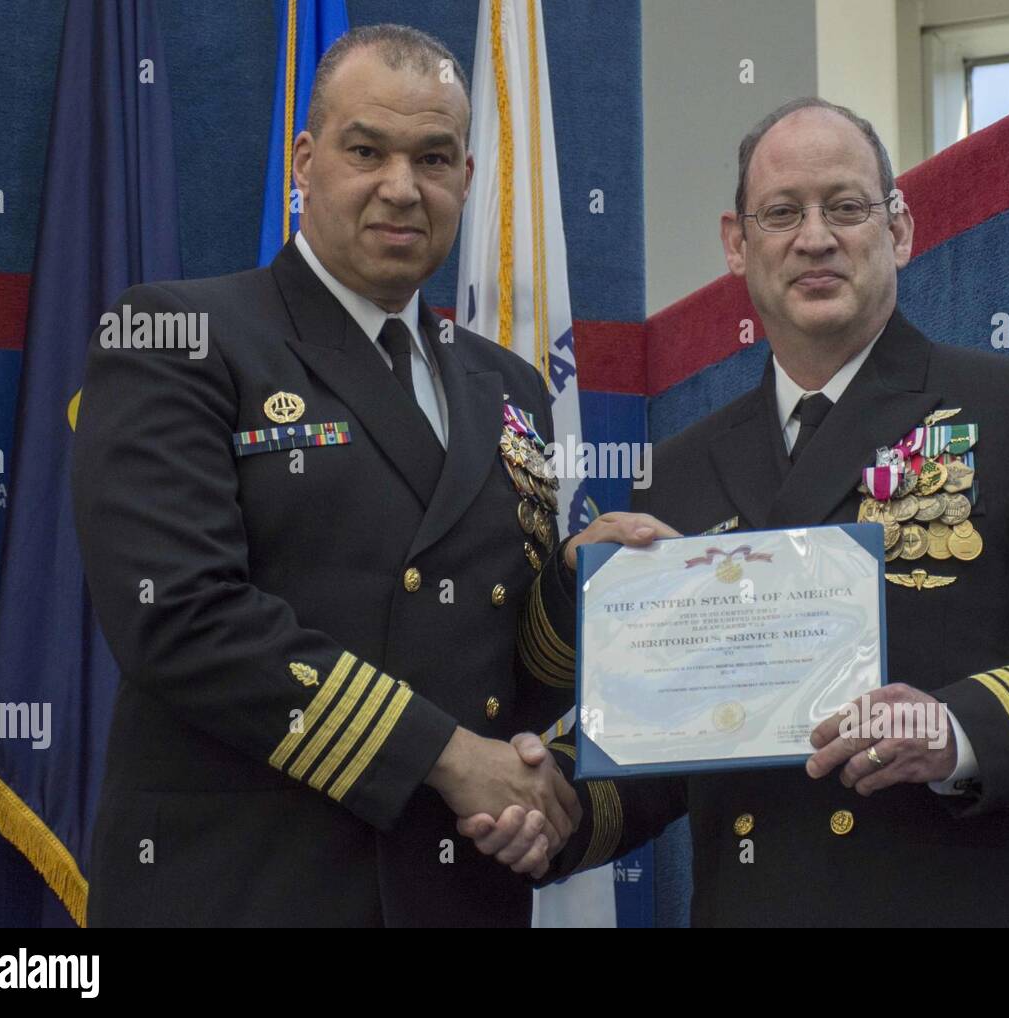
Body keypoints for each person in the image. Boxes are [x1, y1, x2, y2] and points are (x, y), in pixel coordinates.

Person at [461, 97, 1009, 927]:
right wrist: (551, 804)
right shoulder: (676, 470)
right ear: (737, 246)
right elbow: (669, 752)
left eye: (846, 207)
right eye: (782, 213)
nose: (815, 237)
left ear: (899, 230)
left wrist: (958, 730)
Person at [71, 23, 665, 927]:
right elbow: (183, 619)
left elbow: (494, 659)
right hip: (247, 891)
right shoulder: (177, 337)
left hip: (454, 893)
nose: (401, 187)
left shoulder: (509, 386)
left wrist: (575, 595)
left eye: (433, 157)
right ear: (305, 162)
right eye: (366, 151)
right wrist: (448, 756)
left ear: (468, 178)